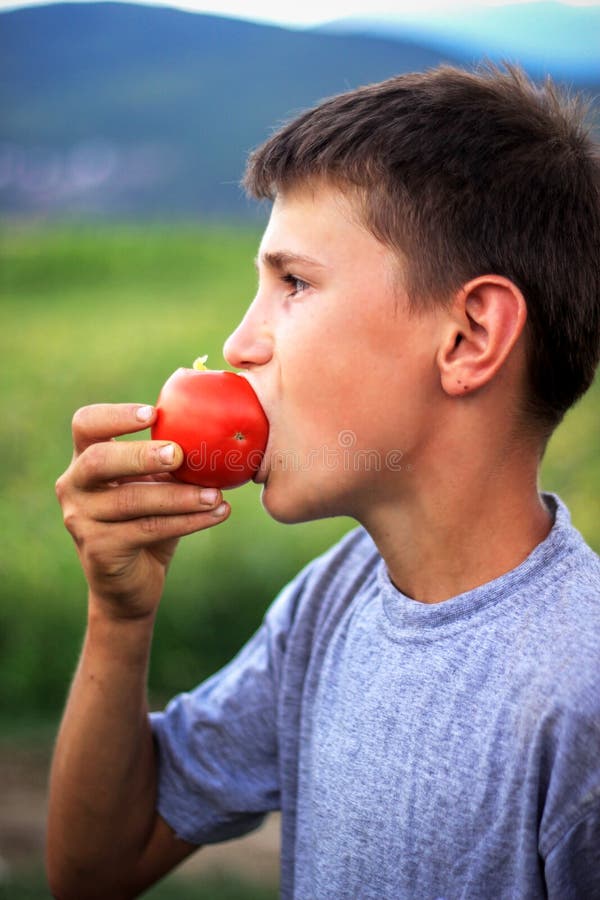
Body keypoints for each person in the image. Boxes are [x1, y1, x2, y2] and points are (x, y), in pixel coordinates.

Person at [47, 63, 600, 899]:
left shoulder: (579, 696)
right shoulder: (330, 604)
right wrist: (119, 616)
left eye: (294, 283)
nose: (240, 344)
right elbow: (95, 868)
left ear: (469, 338)